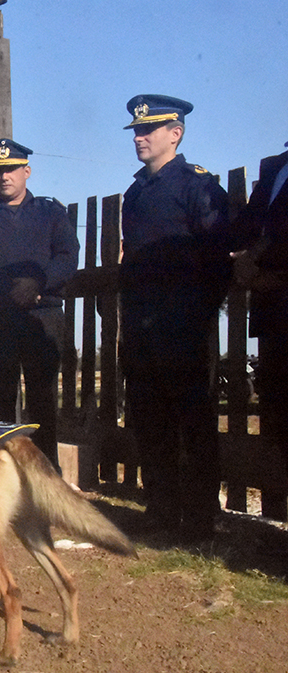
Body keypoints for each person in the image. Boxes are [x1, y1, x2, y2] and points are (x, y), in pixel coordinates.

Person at [118, 94, 235, 542]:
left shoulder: (197, 185)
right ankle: (161, 512)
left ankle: (200, 519)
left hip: (183, 327)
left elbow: (217, 258)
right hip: (143, 327)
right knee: (150, 422)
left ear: (175, 133)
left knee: (194, 424)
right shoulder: (134, 193)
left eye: (149, 130)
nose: (140, 137)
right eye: (136, 131)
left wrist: (198, 314)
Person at [0, 139, 79, 470]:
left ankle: (45, 475)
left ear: (27, 171)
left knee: (43, 401)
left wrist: (38, 284)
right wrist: (12, 289)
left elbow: (68, 257)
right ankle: (1, 475)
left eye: (11, 169)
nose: (4, 177)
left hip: (42, 317)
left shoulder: (51, 213)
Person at [233, 143, 288, 491]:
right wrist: (246, 260)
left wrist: (266, 257)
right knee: (281, 424)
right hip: (276, 314)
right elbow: (252, 228)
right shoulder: (275, 168)